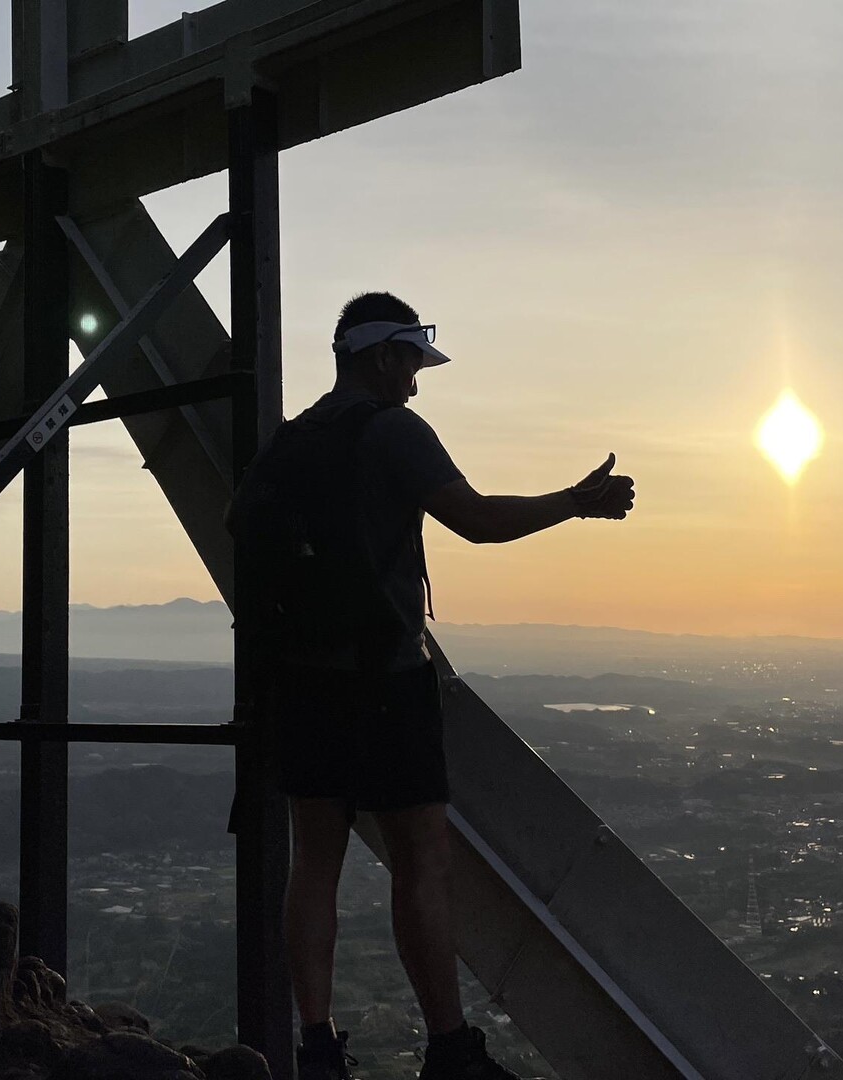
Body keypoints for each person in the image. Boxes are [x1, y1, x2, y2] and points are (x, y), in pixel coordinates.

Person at [228, 291, 635, 1080]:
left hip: (303, 682)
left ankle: (316, 1049)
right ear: (382, 355)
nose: (417, 380)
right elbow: (474, 519)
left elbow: (240, 524)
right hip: (385, 680)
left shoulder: (291, 441)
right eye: (412, 361)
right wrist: (576, 504)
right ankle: (449, 1052)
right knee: (422, 860)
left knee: (313, 860)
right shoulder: (392, 430)